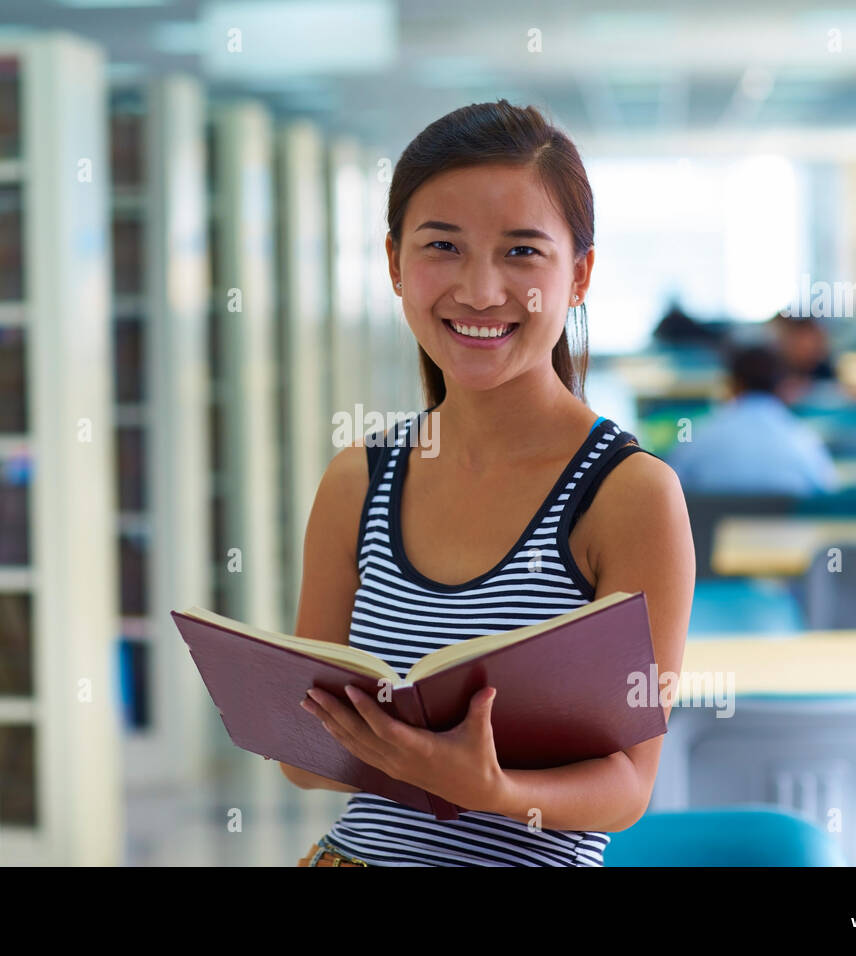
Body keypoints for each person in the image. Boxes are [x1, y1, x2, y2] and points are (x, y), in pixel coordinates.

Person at [280, 100, 694, 866]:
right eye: (443, 246)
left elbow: (628, 786)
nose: (478, 290)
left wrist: (490, 788)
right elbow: (303, 760)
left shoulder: (631, 496)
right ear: (396, 264)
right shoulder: (357, 482)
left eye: (521, 253)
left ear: (579, 276)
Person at [665, 344, 838, 496]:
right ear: (784, 387)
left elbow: (669, 487)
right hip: (784, 531)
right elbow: (826, 492)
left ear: (731, 385)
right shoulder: (802, 440)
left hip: (707, 531)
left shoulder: (699, 435)